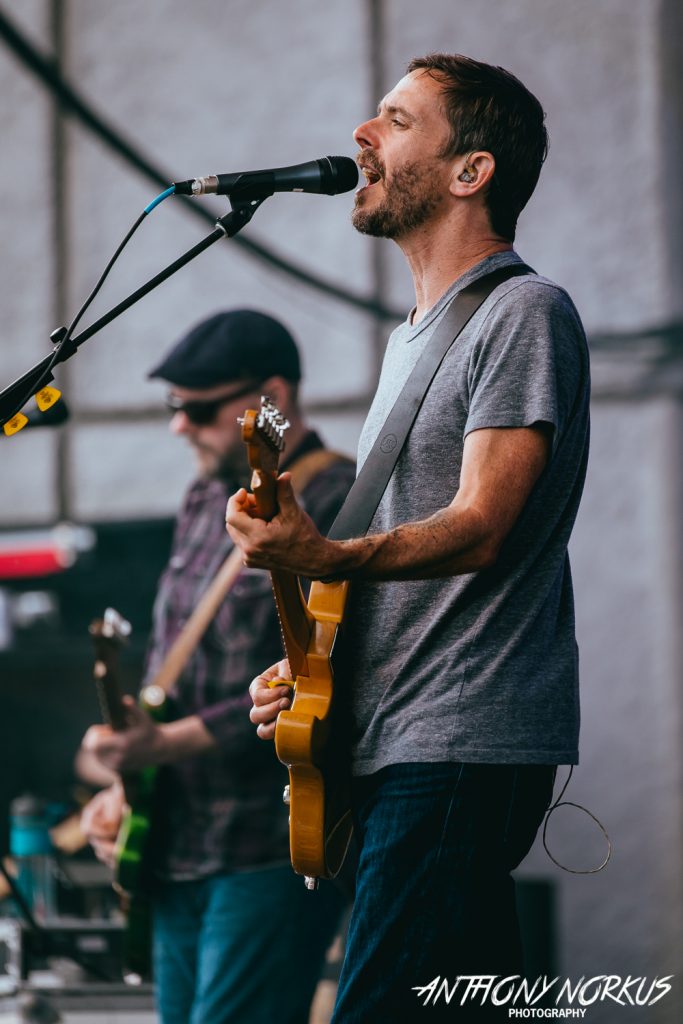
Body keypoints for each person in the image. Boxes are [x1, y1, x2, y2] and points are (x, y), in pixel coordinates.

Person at [226, 54, 590, 1022]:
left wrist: (324, 556)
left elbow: (478, 528)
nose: (360, 135)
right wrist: (311, 672)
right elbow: (391, 567)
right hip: (399, 742)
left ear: (469, 171)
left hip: (458, 740)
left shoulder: (523, 311)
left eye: (393, 119)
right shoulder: (411, 339)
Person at [79, 310, 354, 1024]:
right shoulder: (205, 498)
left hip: (266, 848)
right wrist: (127, 774)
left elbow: (323, 675)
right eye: (174, 408)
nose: (179, 427)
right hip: (174, 844)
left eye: (198, 408)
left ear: (272, 395)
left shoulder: (336, 499)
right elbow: (173, 673)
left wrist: (167, 743)